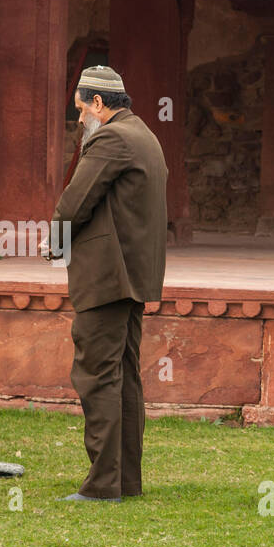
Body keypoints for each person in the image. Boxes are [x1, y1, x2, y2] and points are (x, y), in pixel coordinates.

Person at [48, 66, 168, 502]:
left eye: (81, 109)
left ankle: (102, 486)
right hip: (133, 278)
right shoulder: (144, 134)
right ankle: (124, 482)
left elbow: (73, 201)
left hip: (108, 278)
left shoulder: (111, 138)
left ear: (98, 103)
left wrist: (56, 246)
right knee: (123, 377)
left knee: (97, 377)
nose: (80, 120)